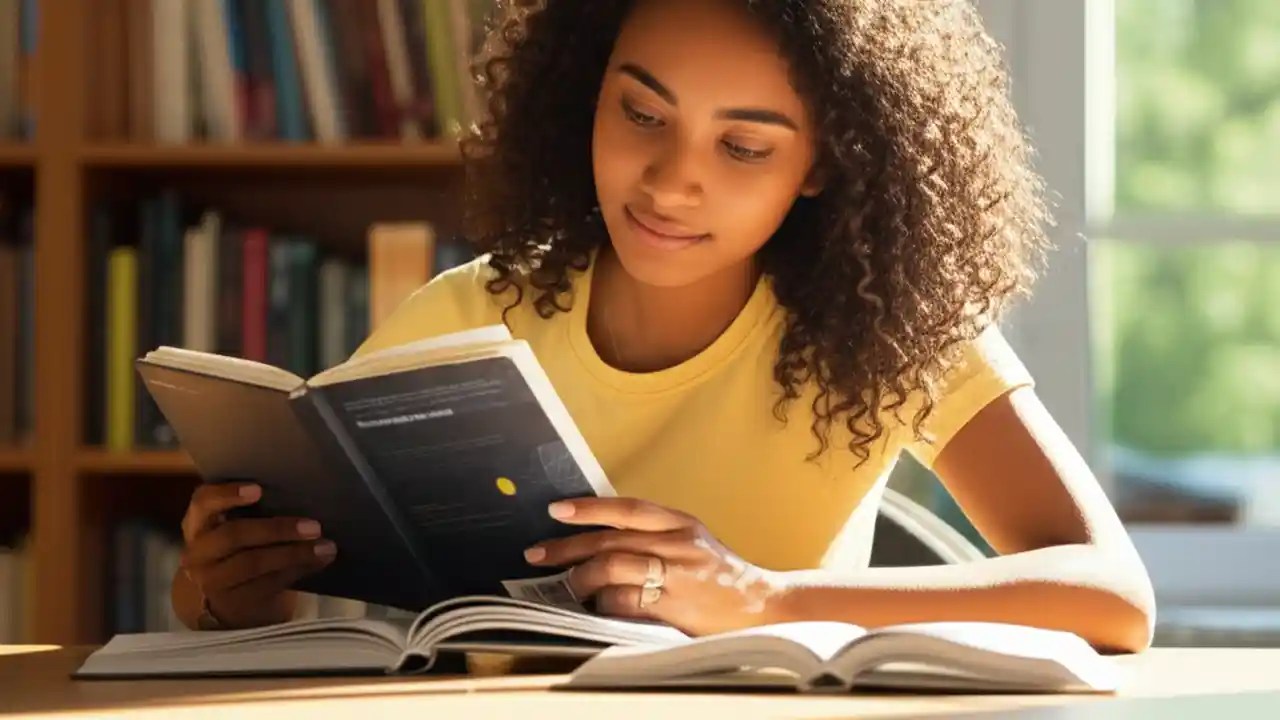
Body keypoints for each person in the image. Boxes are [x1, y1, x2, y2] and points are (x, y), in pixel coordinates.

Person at [173, 0, 1156, 652]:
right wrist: (227, 592)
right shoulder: (462, 317)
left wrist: (766, 597)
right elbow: (239, 609)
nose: (672, 179)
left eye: (741, 145)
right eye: (639, 114)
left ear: (820, 163)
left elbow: (1111, 594)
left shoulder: (890, 330)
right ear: (582, 95)